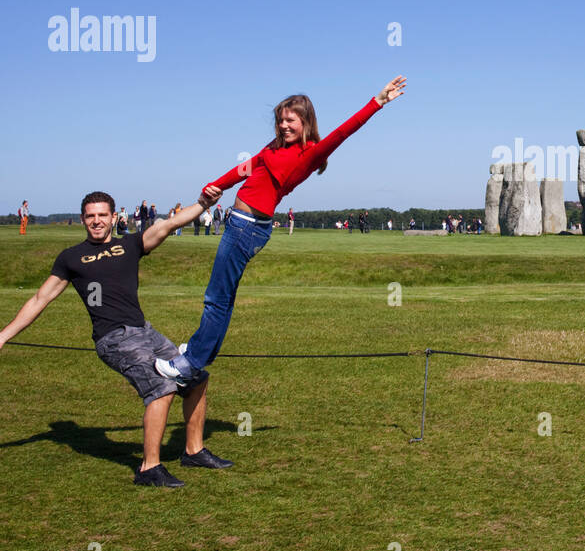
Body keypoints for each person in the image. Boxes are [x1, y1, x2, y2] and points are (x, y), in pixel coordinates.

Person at [154, 77, 406, 383]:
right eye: (280, 120)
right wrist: (217, 185)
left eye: (291, 120)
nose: (284, 126)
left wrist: (376, 102)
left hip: (247, 229)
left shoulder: (310, 153)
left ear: (306, 122)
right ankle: (200, 350)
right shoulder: (274, 147)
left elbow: (343, 132)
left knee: (216, 298)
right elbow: (246, 168)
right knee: (224, 297)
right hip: (240, 224)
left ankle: (190, 364)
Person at [0, 189, 226, 487]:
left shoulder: (130, 244)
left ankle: (193, 451)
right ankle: (149, 468)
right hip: (114, 339)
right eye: (90, 216)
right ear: (82, 219)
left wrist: (203, 204)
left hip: (144, 330)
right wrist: (3, 336)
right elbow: (40, 298)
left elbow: (166, 226)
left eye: (102, 215)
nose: (96, 221)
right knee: (162, 386)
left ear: (114, 217)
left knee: (195, 377)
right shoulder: (71, 258)